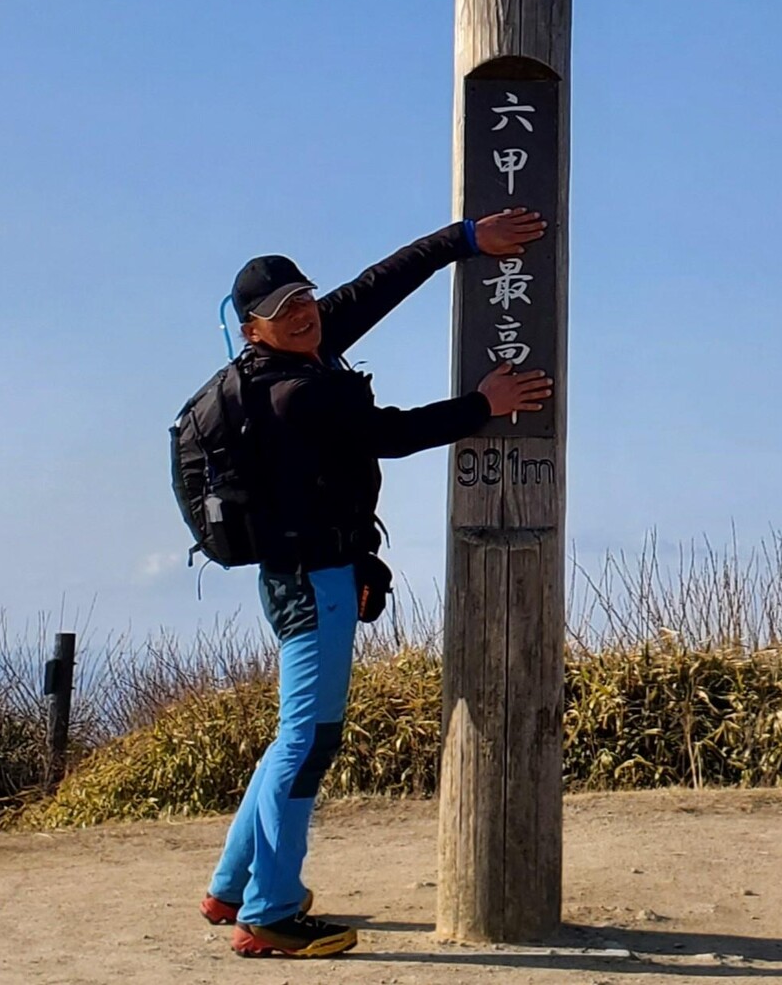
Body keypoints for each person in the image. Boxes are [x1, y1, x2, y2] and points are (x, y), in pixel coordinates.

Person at [199, 207, 553, 958]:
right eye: (281, 311)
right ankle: (269, 913)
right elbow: (390, 433)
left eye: (303, 297)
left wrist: (462, 239)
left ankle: (231, 885)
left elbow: (376, 285)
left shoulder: (282, 361)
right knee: (309, 742)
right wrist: (484, 406)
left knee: (293, 735)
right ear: (252, 330)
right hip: (315, 583)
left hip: (302, 574)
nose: (302, 314)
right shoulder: (297, 393)